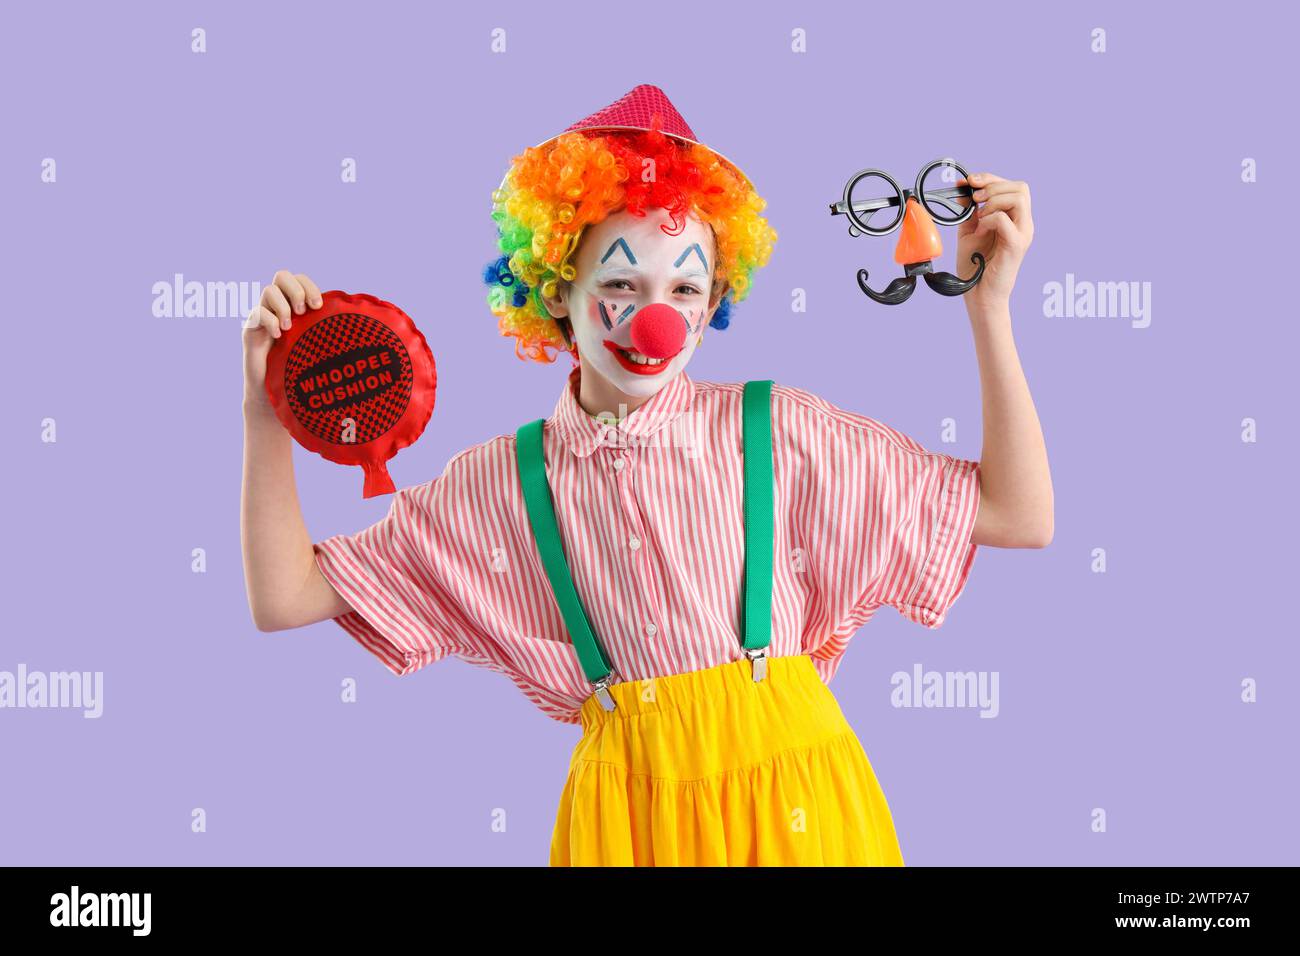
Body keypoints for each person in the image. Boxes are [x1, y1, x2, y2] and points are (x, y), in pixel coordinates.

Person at [240, 84, 1052, 866]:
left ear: (712, 303)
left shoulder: (780, 433)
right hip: (628, 823)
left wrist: (990, 306)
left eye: (684, 287)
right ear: (558, 292)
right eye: (621, 284)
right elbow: (287, 597)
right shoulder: (500, 484)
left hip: (797, 804)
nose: (655, 318)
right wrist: (265, 412)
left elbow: (1019, 515)